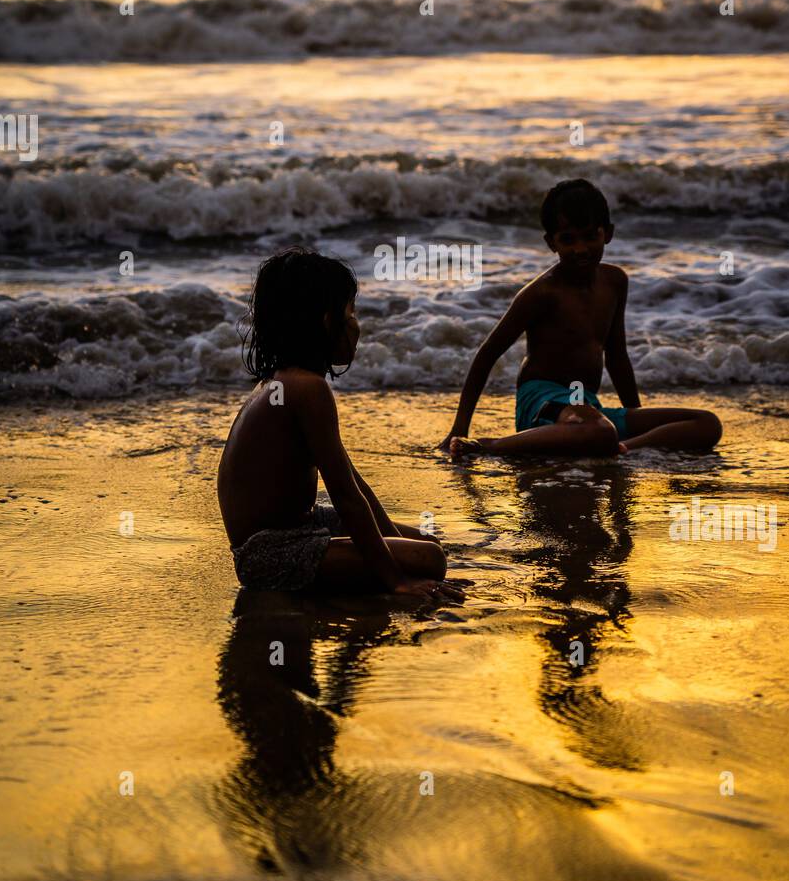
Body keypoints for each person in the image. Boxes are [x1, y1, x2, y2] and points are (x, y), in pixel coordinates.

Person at [218, 247, 463, 600]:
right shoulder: (306, 389)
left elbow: (353, 481)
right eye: (351, 312)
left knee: (425, 543)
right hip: (270, 554)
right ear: (325, 322)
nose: (356, 324)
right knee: (430, 559)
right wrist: (397, 580)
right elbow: (345, 496)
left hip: (302, 525)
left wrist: (394, 540)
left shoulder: (284, 381)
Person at [438, 178, 722, 458]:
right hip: (543, 401)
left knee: (706, 423)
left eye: (589, 236)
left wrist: (634, 413)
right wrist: (459, 428)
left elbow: (617, 356)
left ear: (607, 233)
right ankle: (490, 445)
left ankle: (625, 448)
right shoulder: (542, 292)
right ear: (551, 243)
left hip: (586, 405)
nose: (581, 249)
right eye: (568, 239)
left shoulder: (615, 282)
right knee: (600, 430)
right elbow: (488, 354)